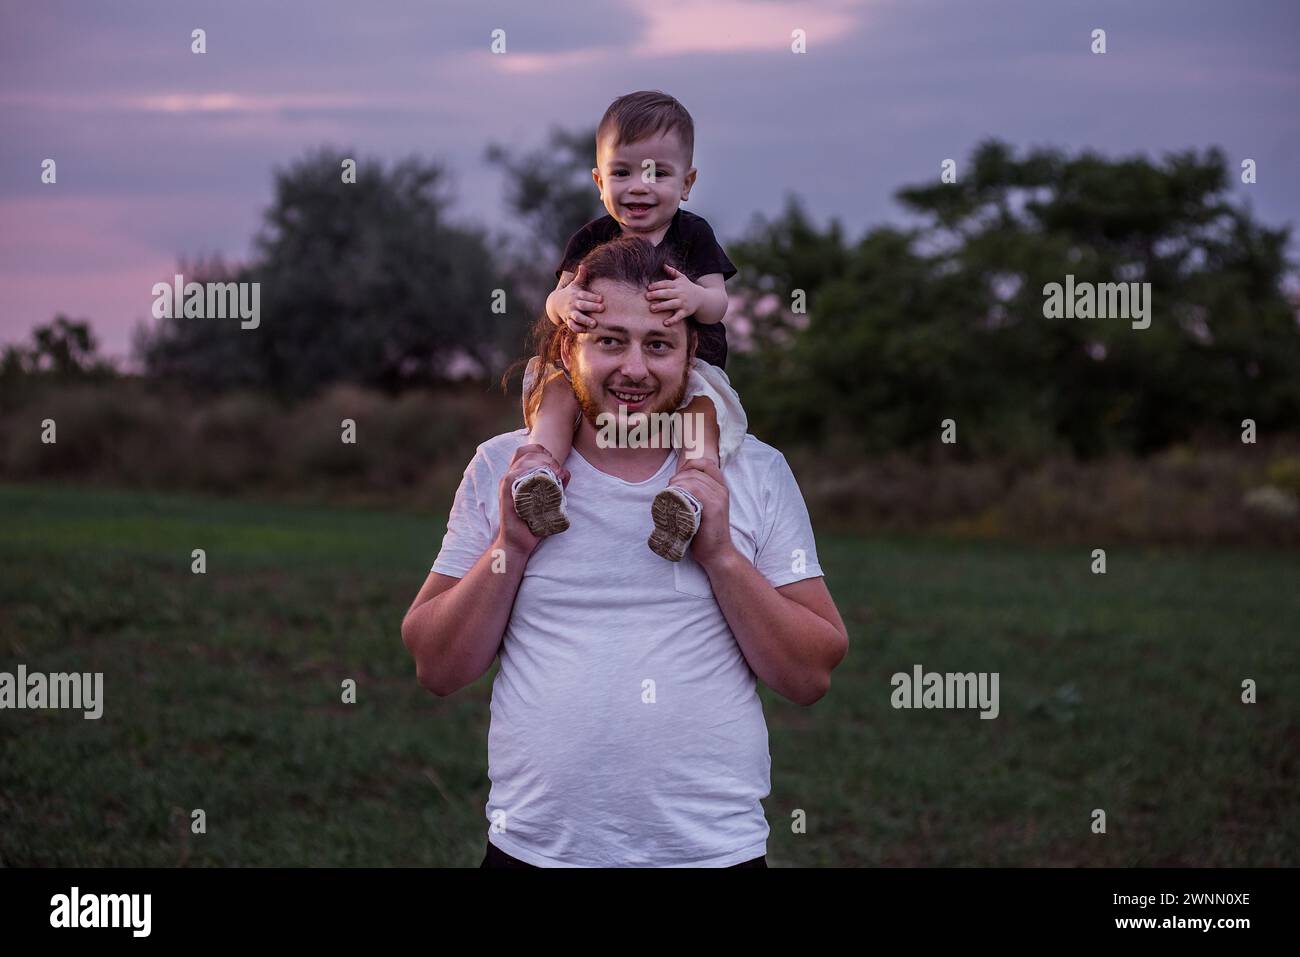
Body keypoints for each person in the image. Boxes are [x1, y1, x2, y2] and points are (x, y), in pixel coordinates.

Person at [401, 236, 849, 868]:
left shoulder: (755, 473)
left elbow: (811, 675)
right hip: (534, 852)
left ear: (691, 353)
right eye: (610, 340)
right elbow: (437, 667)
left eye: (658, 344)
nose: (634, 369)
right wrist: (511, 546)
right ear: (568, 346)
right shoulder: (502, 467)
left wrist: (721, 556)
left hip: (711, 854)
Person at [513, 89, 745, 563]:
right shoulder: (593, 237)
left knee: (699, 410)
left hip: (689, 364)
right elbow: (556, 297)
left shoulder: (693, 234)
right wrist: (565, 303)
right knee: (555, 389)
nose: (639, 187)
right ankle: (540, 471)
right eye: (622, 172)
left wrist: (695, 297)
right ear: (599, 181)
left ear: (687, 183)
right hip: (588, 369)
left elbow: (718, 304)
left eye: (658, 173)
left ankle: (691, 491)